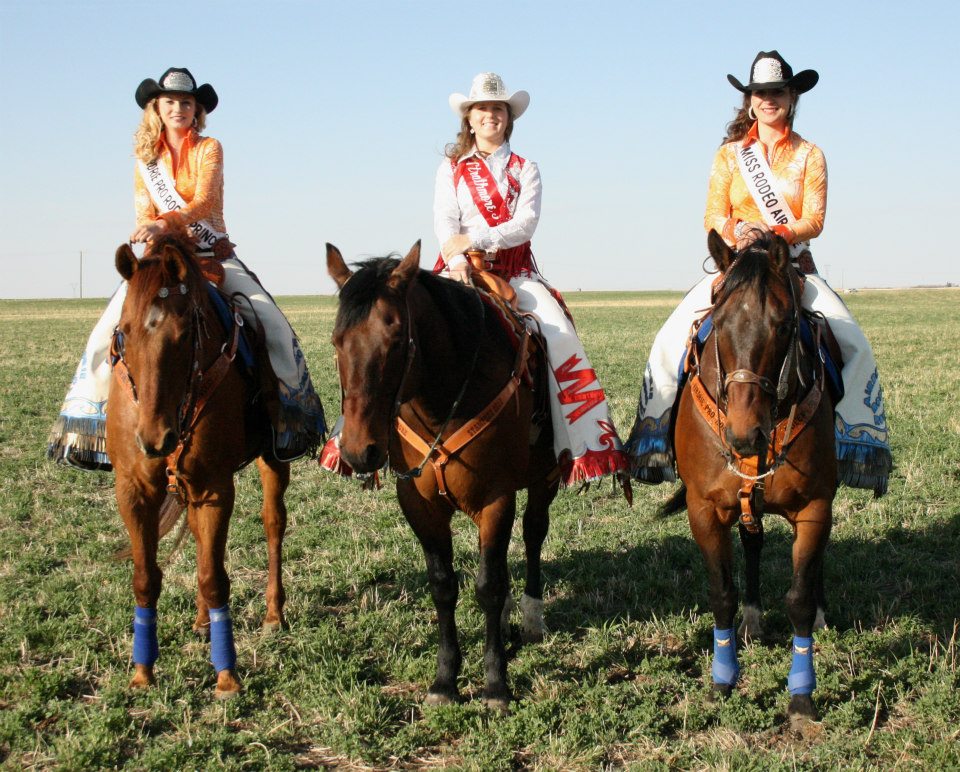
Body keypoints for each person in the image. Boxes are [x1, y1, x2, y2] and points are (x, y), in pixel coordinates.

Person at [626, 50, 891, 495]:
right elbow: (712, 215)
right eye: (760, 93)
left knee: (854, 343)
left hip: (790, 266)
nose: (769, 100)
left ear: (791, 97)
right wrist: (736, 229)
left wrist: (774, 231)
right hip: (737, 267)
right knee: (669, 340)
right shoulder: (730, 156)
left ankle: (855, 443)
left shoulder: (810, 155)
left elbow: (815, 220)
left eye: (777, 92)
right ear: (750, 101)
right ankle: (655, 441)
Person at [47, 67, 325, 469]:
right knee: (104, 332)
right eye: (170, 102)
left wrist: (165, 223)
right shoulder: (147, 160)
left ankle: (290, 416)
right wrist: (152, 229)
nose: (179, 108)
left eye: (186, 103)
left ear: (197, 111)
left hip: (212, 255)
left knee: (272, 322)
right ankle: (90, 423)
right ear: (156, 109)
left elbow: (204, 202)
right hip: (161, 259)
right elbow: (144, 210)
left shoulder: (209, 148)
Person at [433, 72, 629, 486]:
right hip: (456, 268)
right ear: (469, 119)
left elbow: (525, 225)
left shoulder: (527, 168)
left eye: (498, 109)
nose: (491, 115)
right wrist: (458, 255)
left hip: (515, 273)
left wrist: (477, 237)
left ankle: (584, 442)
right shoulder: (450, 169)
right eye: (483, 109)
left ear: (509, 118)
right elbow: (445, 220)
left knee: (559, 334)